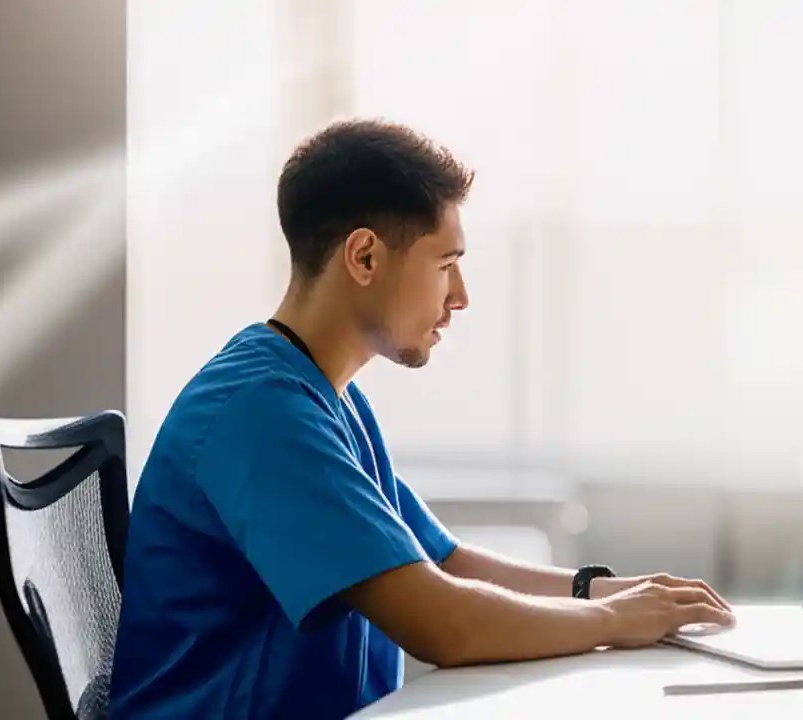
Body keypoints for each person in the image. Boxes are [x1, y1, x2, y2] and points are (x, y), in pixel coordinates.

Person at [109, 119, 734, 719]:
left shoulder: (326, 397)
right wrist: (617, 623)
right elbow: (442, 623)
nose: (460, 294)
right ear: (364, 257)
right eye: (445, 262)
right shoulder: (262, 415)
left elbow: (445, 563)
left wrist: (603, 591)